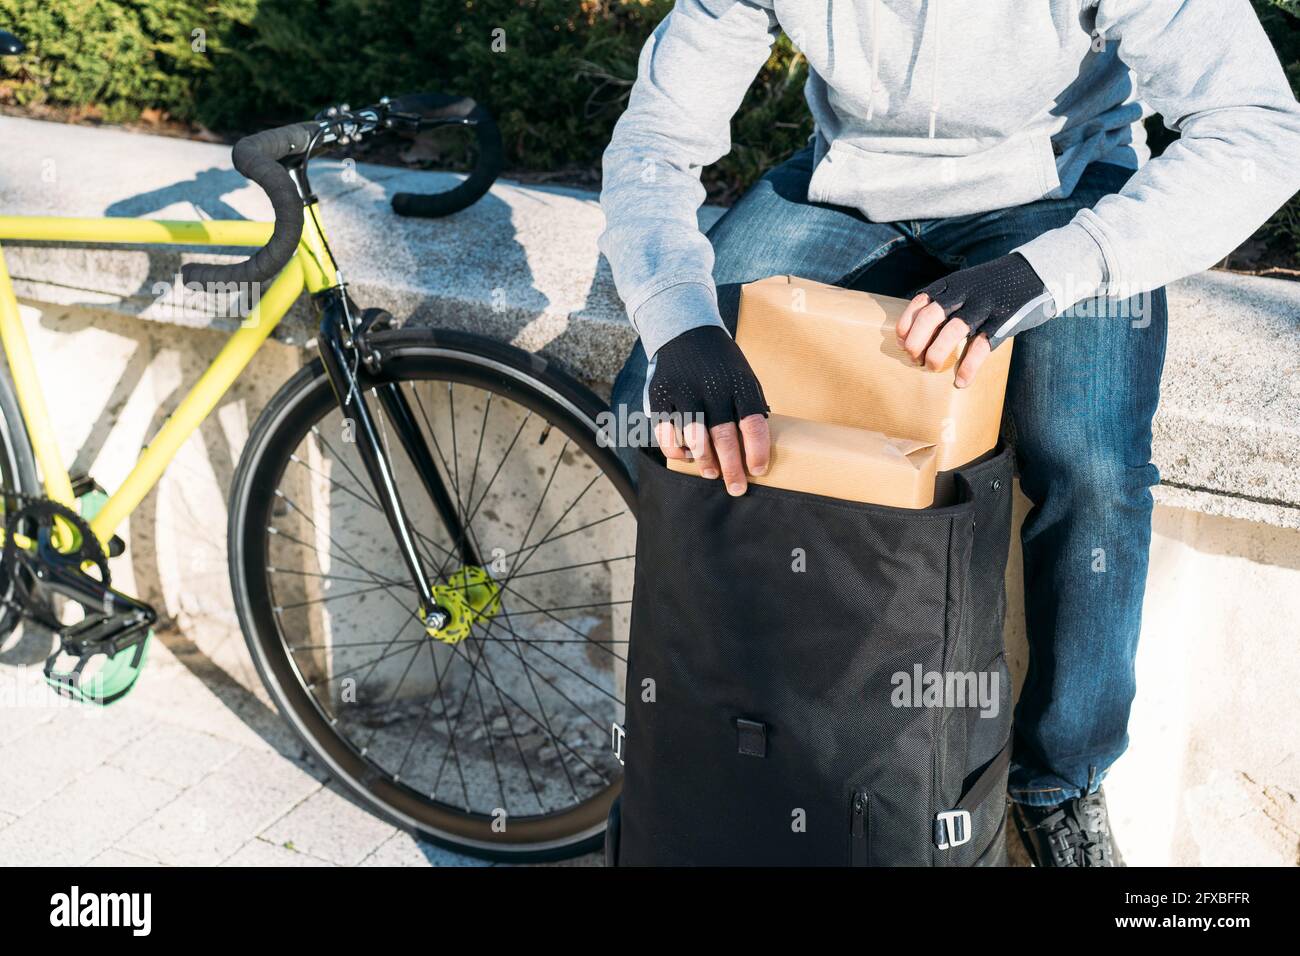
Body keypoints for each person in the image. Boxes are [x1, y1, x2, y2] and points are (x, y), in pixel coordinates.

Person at [598, 0, 1300, 867]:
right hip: (850, 190)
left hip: (1060, 196)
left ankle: (1060, 783)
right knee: (655, 396)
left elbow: (1259, 130)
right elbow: (655, 143)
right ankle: (734, 733)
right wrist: (681, 324)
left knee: (1089, 460)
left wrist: (1044, 272)